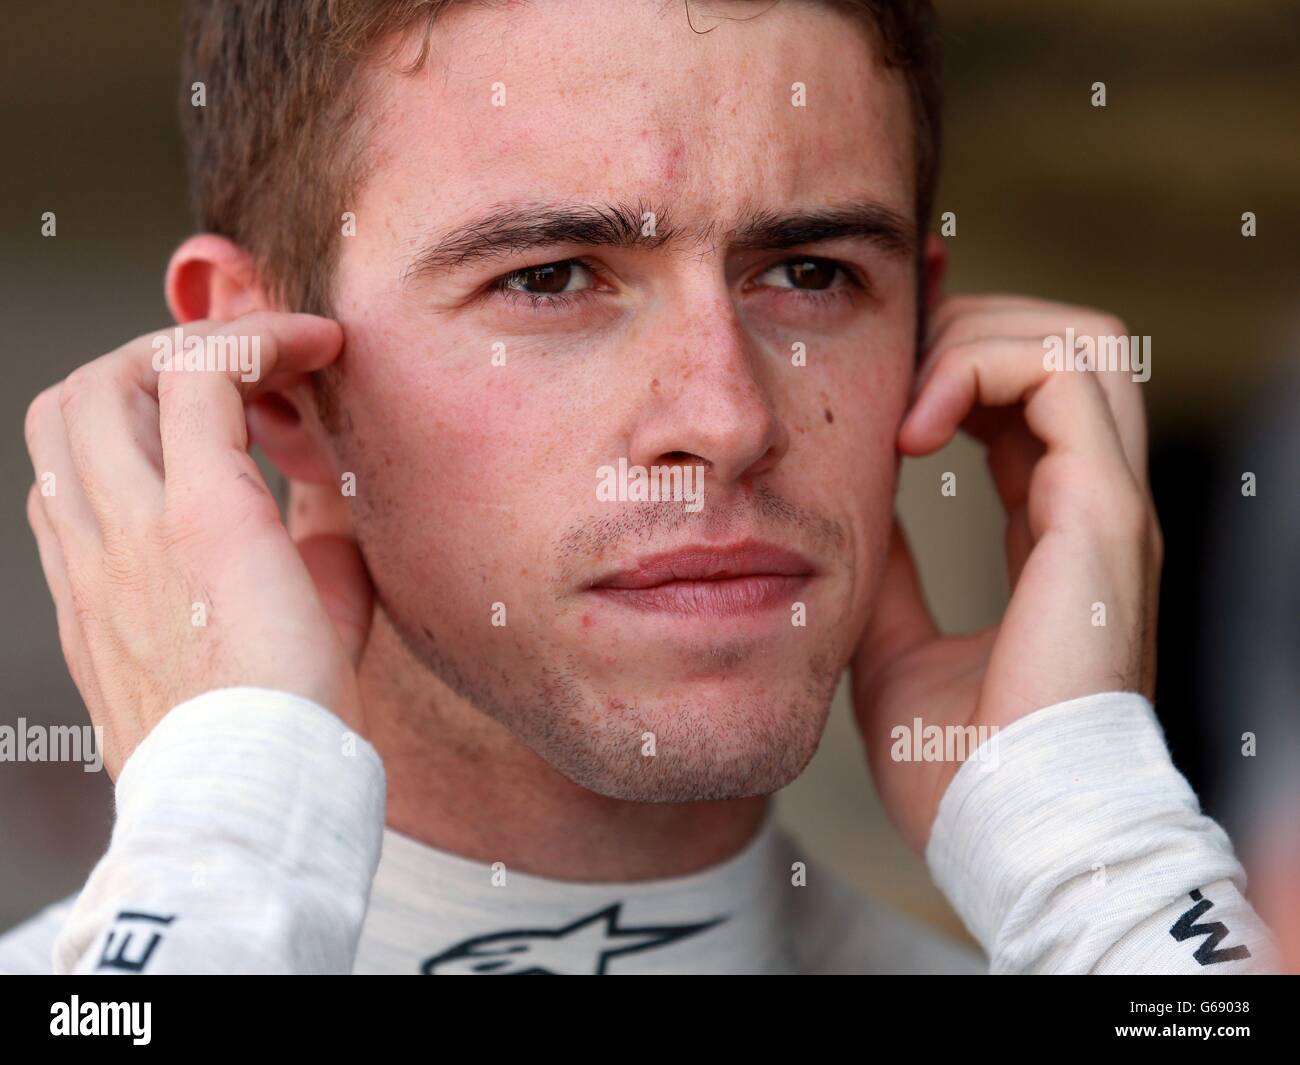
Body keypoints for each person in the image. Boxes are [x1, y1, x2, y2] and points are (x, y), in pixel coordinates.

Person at [2, 0, 1276, 974]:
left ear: (924, 333)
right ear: (264, 375)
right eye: (551, 278)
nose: (724, 418)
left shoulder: (1106, 943)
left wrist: (1092, 846)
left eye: (812, 273)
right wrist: (227, 832)